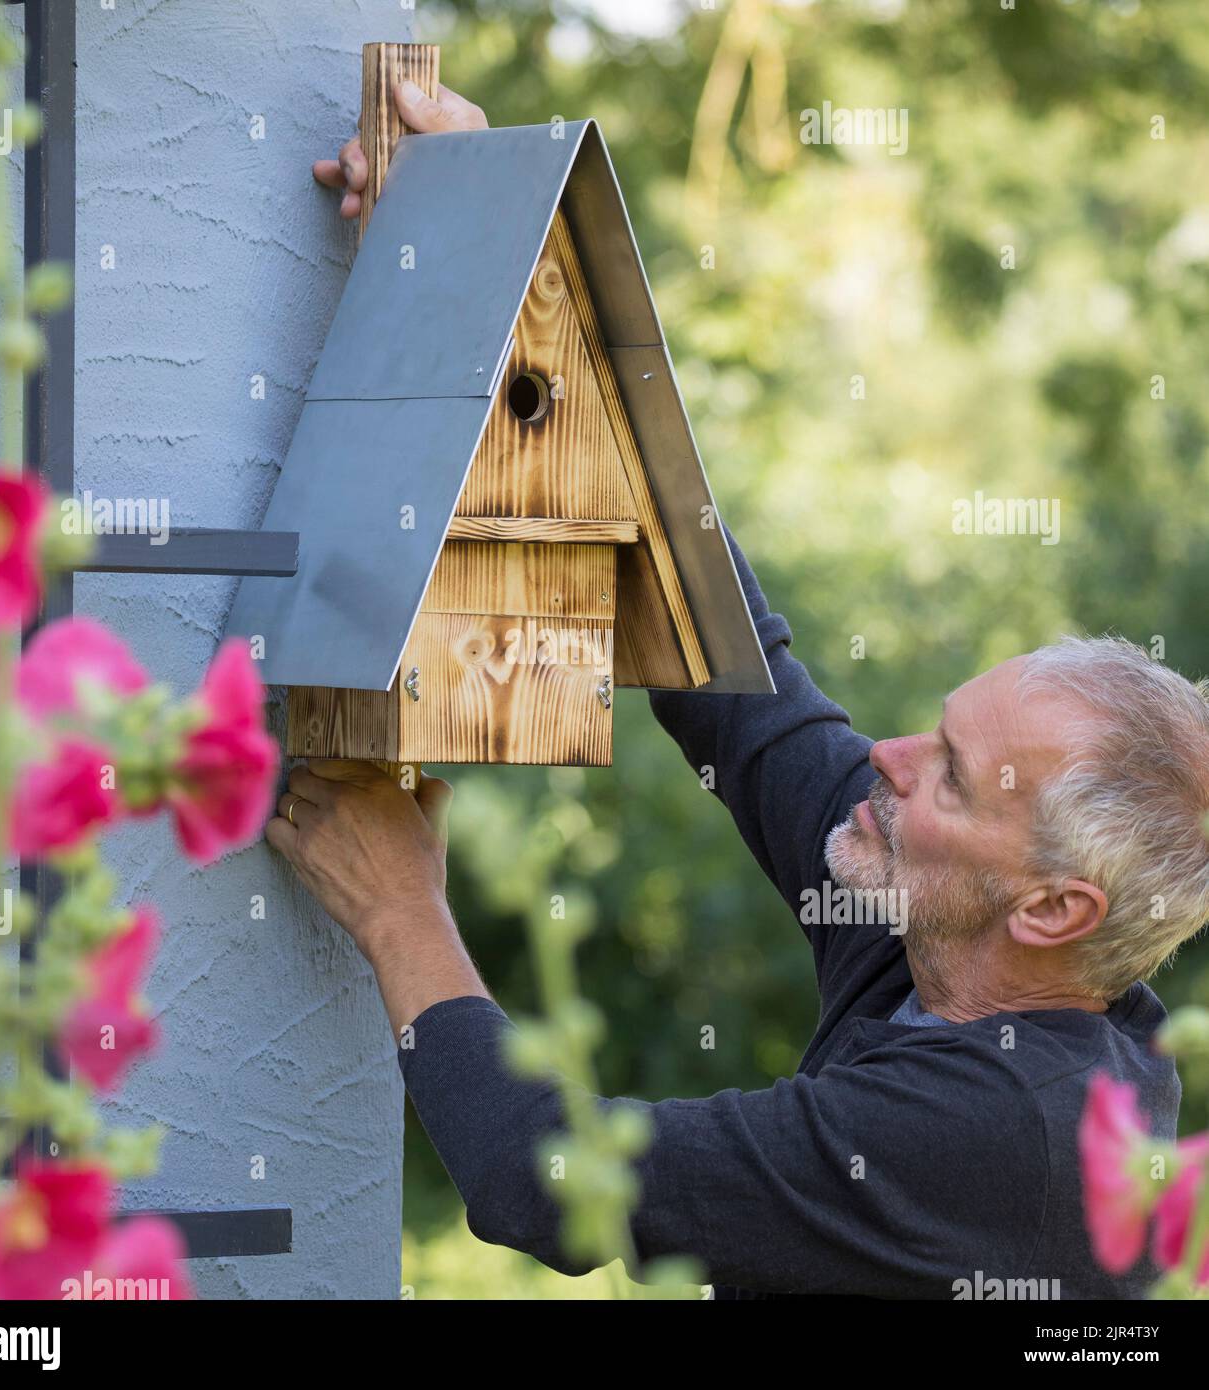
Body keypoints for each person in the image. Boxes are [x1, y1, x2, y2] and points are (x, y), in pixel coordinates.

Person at [268, 82, 1209, 1298]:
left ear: (1051, 911)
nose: (888, 754)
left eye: (953, 776)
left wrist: (399, 909)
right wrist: (484, 244)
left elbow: (548, 1180)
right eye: (939, 728)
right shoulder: (941, 919)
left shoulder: (1004, 1129)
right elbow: (727, 665)